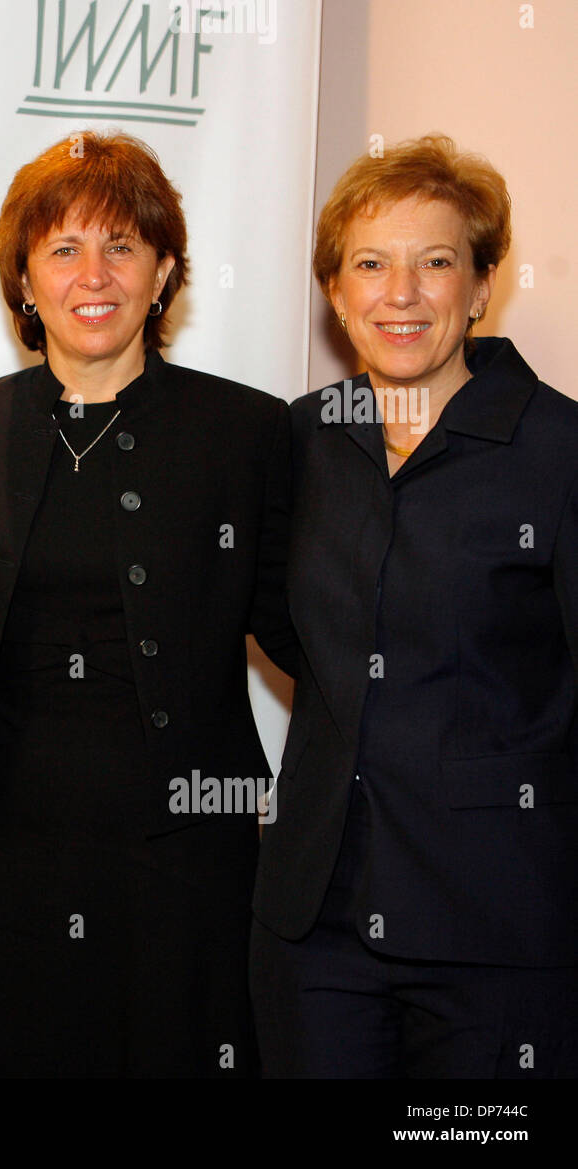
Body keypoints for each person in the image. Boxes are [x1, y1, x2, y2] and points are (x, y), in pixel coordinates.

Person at [0, 131, 296, 1078]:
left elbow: (303, 623)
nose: (94, 274)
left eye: (122, 245)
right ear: (24, 283)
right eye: (62, 249)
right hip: (7, 843)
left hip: (186, 851)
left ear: (163, 272)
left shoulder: (247, 431)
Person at [251, 135, 578, 1078]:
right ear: (337, 292)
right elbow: (290, 629)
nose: (401, 293)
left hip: (501, 935)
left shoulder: (558, 451)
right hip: (317, 930)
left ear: (479, 287)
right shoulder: (301, 442)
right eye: (370, 265)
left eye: (435, 262)